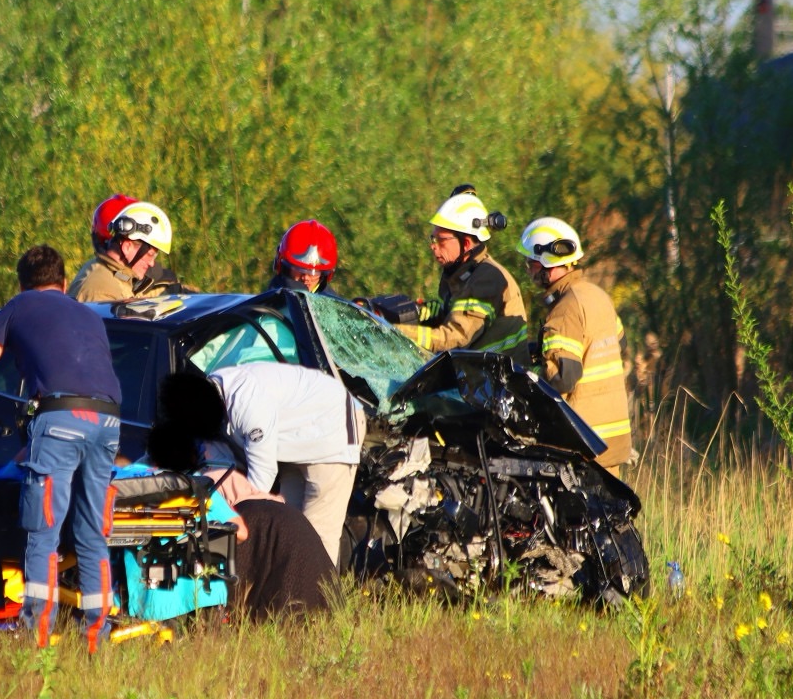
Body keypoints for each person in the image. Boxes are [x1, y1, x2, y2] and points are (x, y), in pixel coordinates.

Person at [0, 244, 124, 650]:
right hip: (108, 422)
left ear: (22, 284)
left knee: (43, 532)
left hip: (60, 422)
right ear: (65, 283)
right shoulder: (90, 316)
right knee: (92, 534)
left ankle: (35, 642)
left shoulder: (17, 308)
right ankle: (98, 643)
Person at [155, 366, 362, 569]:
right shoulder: (208, 396)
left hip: (334, 430)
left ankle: (322, 598)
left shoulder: (248, 404)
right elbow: (221, 466)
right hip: (292, 446)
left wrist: (235, 514)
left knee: (318, 533)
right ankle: (291, 593)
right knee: (292, 527)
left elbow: (261, 478)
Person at [145, 417, 333, 618]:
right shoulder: (217, 472)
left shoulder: (197, 485)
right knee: (309, 604)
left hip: (262, 525)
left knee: (265, 599)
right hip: (292, 521)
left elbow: (238, 530)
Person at [520, 217, 633, 474]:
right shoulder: (596, 294)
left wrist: (532, 377)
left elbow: (564, 379)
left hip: (583, 443)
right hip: (614, 438)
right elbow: (619, 343)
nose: (529, 270)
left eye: (531, 263)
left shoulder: (564, 308)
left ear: (548, 262)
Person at [392, 185, 528, 355]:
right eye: (433, 238)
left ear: (466, 244)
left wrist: (392, 332)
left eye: (441, 240)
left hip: (497, 380)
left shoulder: (487, 278)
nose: (433, 246)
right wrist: (434, 315)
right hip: (478, 378)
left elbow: (454, 338)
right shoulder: (461, 274)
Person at [68, 195, 177, 303]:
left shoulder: (120, 275)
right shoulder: (102, 293)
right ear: (127, 247)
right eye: (150, 255)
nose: (152, 264)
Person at [268, 220, 342, 296]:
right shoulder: (268, 302)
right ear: (285, 268)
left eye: (314, 272)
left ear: (324, 275)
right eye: (299, 269)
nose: (306, 277)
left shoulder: (334, 305)